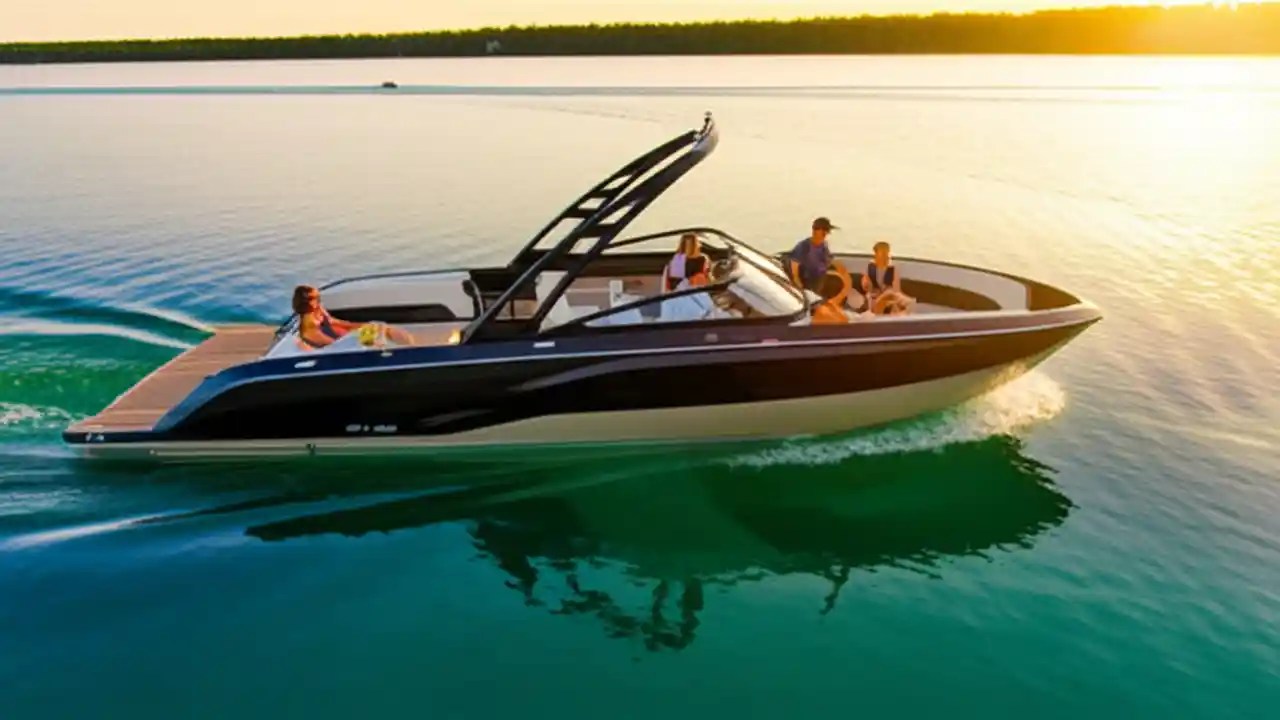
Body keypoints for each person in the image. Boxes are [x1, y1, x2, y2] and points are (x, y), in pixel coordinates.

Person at [292, 285, 415, 349]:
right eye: (316, 298)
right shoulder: (309, 329)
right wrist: (356, 338)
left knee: (380, 326)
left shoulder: (318, 311)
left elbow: (336, 322)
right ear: (307, 302)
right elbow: (334, 347)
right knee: (381, 331)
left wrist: (359, 326)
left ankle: (410, 349)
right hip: (341, 346)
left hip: (344, 338)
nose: (320, 301)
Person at [788, 217, 845, 295]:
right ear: (815, 231)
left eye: (827, 231)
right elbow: (794, 266)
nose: (825, 234)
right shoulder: (804, 246)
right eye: (823, 231)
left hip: (821, 278)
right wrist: (798, 284)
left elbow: (828, 262)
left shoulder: (824, 246)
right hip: (809, 280)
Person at [861, 241, 915, 316]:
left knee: (909, 303)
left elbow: (897, 289)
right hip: (874, 296)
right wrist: (866, 284)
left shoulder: (893, 268)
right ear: (876, 254)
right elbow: (867, 287)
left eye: (887, 253)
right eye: (883, 253)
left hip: (890, 296)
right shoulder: (870, 267)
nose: (886, 256)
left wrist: (893, 297)